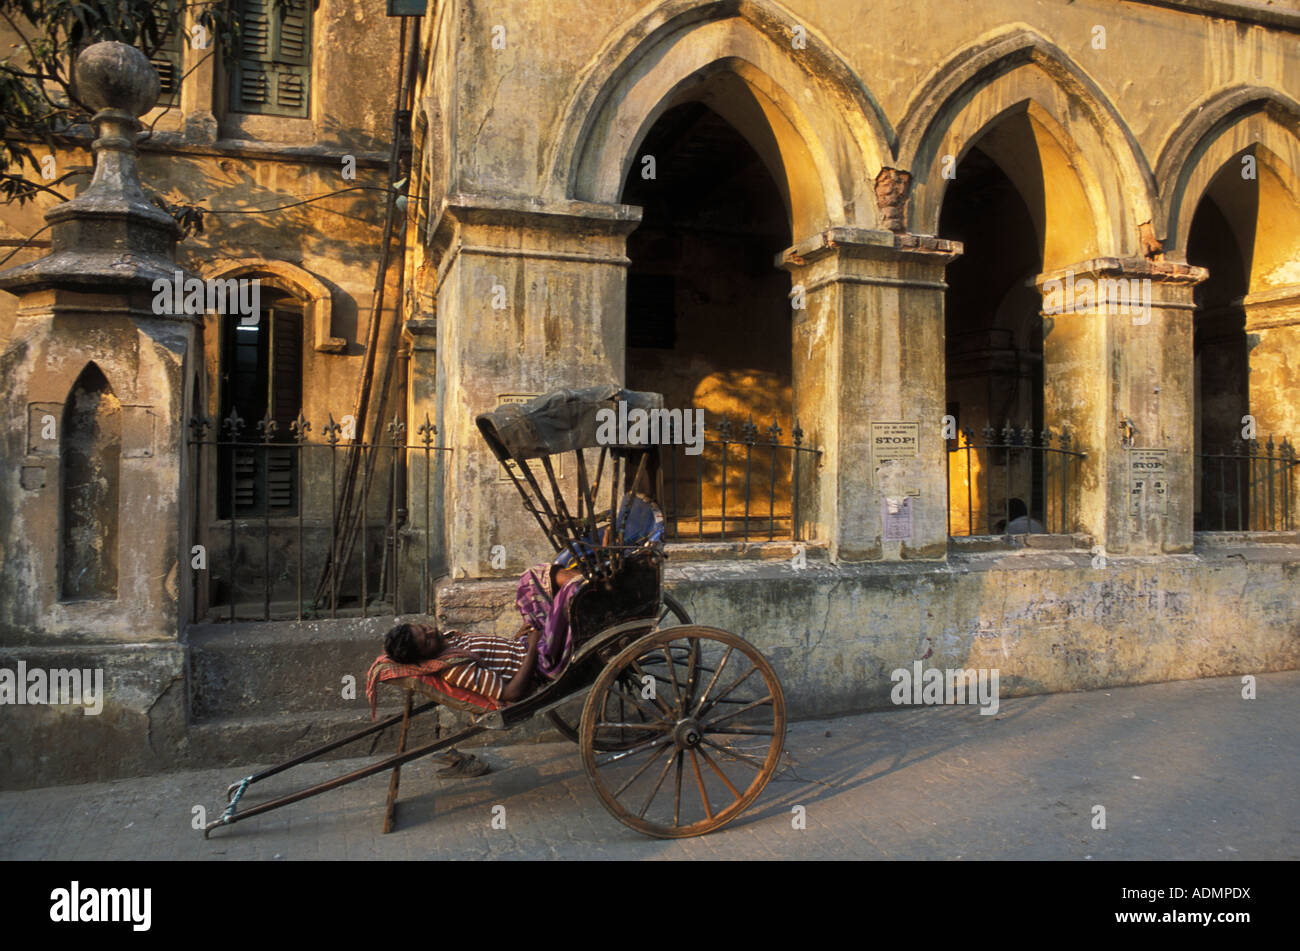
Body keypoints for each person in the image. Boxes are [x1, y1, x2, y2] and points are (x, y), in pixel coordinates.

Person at [383, 621, 543, 704]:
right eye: (427, 641)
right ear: (423, 658)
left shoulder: (448, 639)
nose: (431, 631)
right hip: (542, 662)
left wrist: (514, 640)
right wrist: (533, 647)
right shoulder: (455, 668)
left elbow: (496, 658)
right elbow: (511, 694)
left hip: (528, 645)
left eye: (423, 628)